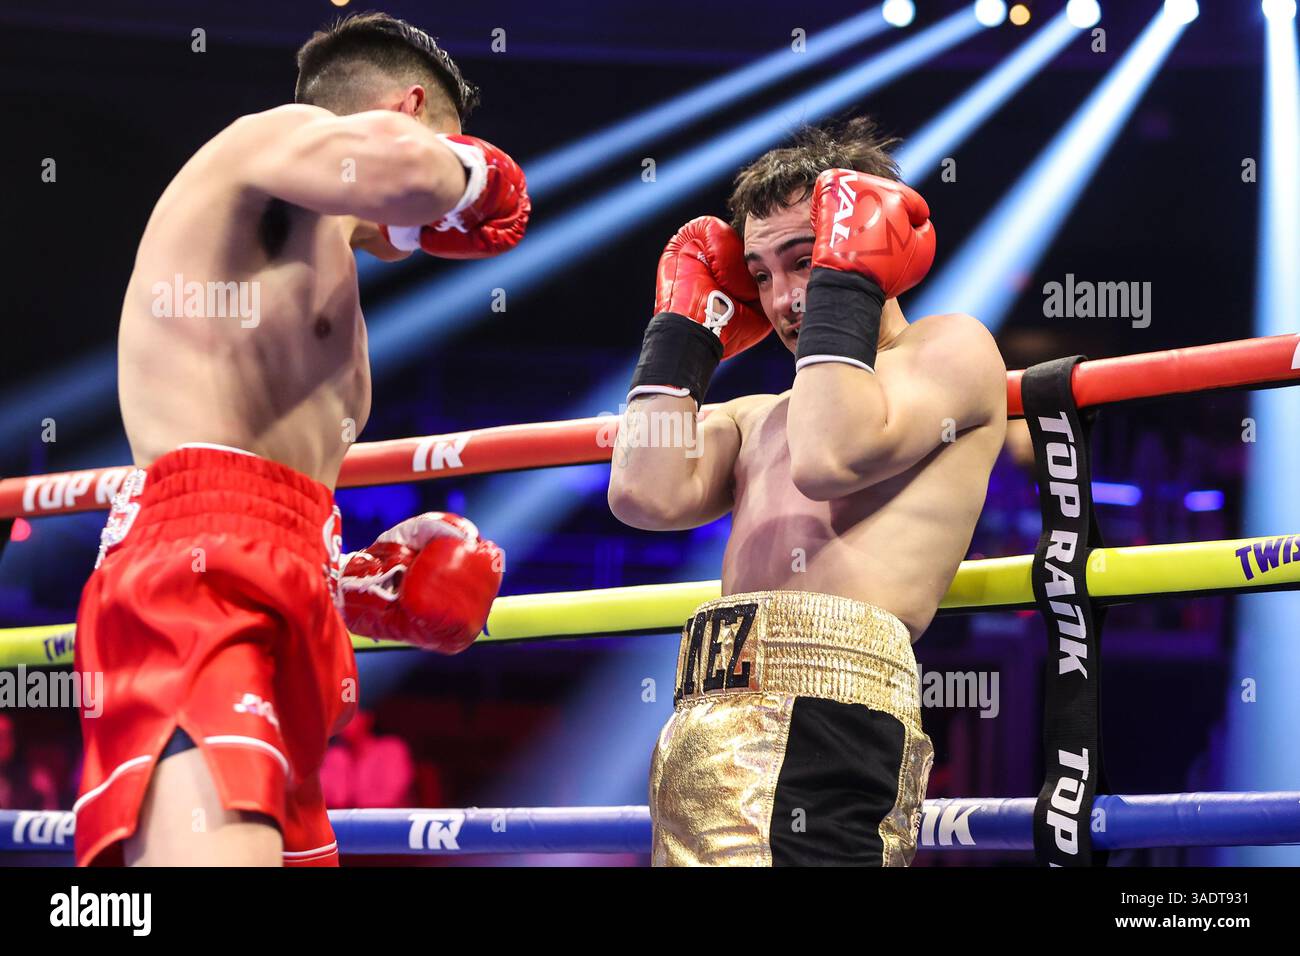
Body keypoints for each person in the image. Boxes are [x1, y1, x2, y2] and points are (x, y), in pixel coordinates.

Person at [73, 12, 524, 867]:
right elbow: (401, 171)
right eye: (441, 136)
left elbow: (279, 487)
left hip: (281, 577)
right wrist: (473, 172)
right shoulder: (275, 137)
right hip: (196, 570)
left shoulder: (323, 272)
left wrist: (351, 581)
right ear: (407, 107)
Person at [607, 118, 1007, 866]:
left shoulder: (949, 350)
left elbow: (831, 457)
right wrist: (681, 335)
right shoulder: (760, 418)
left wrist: (846, 286)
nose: (784, 297)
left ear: (871, 248)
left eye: (804, 260)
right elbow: (642, 493)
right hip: (705, 711)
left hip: (829, 719)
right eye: (759, 274)